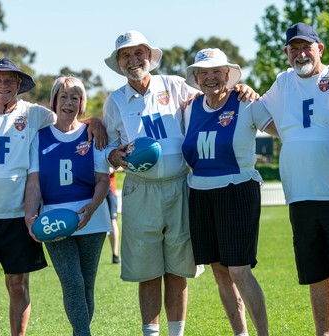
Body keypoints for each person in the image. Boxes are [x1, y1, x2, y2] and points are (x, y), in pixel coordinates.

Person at [103, 30, 257, 336]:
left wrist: (239, 89)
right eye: (126, 55)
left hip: (180, 186)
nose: (133, 60)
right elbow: (108, 147)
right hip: (140, 190)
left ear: (149, 56)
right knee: (148, 272)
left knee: (177, 268)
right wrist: (114, 155)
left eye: (138, 53)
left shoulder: (174, 85)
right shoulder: (114, 101)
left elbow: (212, 99)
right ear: (119, 63)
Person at [0, 58, 105, 336]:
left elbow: (68, 121)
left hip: (20, 217)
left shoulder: (35, 114)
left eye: (10, 80)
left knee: (18, 284)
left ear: (19, 84)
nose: (3, 86)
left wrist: (93, 121)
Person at [251, 22, 329, 336]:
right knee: (316, 276)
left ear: (320, 49)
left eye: (307, 47)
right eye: (295, 48)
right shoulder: (283, 82)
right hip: (300, 196)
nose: (301, 54)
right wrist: (290, 135)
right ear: (287, 52)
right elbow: (259, 115)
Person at [182, 48, 272, 336]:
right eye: (204, 72)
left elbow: (286, 129)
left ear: (228, 75)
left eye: (216, 72)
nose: (210, 77)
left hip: (237, 191)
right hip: (200, 193)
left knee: (238, 270)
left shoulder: (246, 102)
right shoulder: (189, 108)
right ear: (196, 78)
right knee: (219, 272)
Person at [24, 76, 112, 336]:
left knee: (86, 285)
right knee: (72, 282)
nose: (69, 102)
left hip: (92, 219)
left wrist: (92, 207)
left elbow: (102, 180)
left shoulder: (93, 133)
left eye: (75, 97)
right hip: (54, 221)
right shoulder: (39, 138)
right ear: (54, 101)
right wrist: (30, 215)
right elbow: (34, 184)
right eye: (63, 96)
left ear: (82, 103)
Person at [107, 169, 121, 264]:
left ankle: (115, 254)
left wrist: (113, 168)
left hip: (110, 189)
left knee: (113, 221)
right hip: (93, 189)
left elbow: (124, 165)